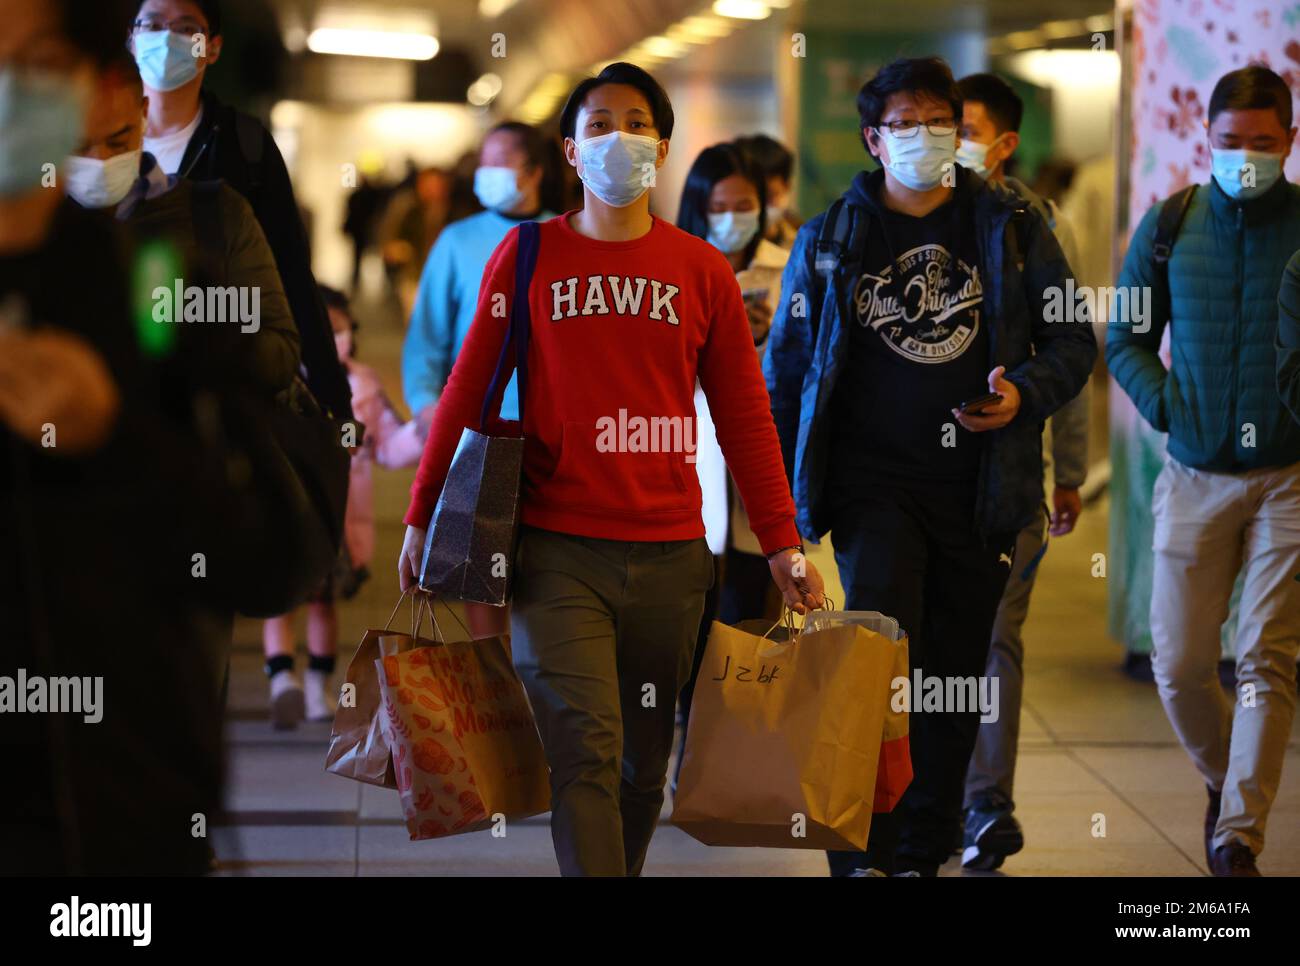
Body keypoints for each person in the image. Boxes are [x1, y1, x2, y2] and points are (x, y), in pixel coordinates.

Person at [397, 62, 825, 876]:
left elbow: (744, 419)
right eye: (599, 123)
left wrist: (781, 540)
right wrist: (422, 515)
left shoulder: (700, 273)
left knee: (642, 768)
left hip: (673, 553)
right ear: (569, 148)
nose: (618, 137)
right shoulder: (526, 258)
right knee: (585, 753)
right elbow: (466, 396)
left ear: (661, 146)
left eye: (636, 122)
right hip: (557, 552)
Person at [765, 56, 1096, 877]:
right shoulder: (835, 236)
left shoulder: (1013, 227)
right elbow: (786, 371)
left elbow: (1073, 339)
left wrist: (1022, 393)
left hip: (981, 490)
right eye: (904, 124)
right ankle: (861, 845)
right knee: (878, 656)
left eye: (939, 123)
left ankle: (926, 840)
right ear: (875, 138)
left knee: (952, 677)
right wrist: (777, 511)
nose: (924, 138)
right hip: (871, 486)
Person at [0, 0, 231, 874]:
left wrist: (115, 437)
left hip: (114, 790)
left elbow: (240, 544)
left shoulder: (150, 283)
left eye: (37, 62)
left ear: (93, 85)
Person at [1107, 65, 1300, 877]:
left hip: (1290, 477)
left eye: (1263, 144)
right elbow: (1124, 338)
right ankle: (1228, 785)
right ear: (1205, 140)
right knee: (1181, 665)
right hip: (1193, 474)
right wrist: (1170, 408)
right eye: (1230, 144)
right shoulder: (1170, 225)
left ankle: (1239, 838)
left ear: (1290, 142)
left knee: (1265, 655)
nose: (1245, 158)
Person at [954, 71, 1091, 871]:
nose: (943, 141)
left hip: (1009, 477)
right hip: (910, 482)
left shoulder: (1040, 227)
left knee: (996, 640)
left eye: (961, 127)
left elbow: (1070, 357)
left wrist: (1068, 469)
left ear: (1004, 144)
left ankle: (986, 804)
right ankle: (925, 792)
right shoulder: (901, 219)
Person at [128, 0, 353, 424]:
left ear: (212, 48)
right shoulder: (94, 137)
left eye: (185, 28)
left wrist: (332, 398)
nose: (166, 38)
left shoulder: (243, 145)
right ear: (132, 38)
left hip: (216, 374)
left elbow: (289, 270)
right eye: (153, 24)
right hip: (115, 366)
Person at [64, 51, 299, 398]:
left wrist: (197, 323)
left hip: (181, 445)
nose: (100, 161)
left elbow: (282, 355)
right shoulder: (24, 230)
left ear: (143, 115)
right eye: (78, 144)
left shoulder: (218, 214)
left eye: (118, 140)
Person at [402, 121, 558, 638]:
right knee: (478, 576)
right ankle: (497, 692)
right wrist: (427, 406)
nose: (487, 174)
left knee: (547, 576)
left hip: (549, 433)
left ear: (534, 172)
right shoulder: (456, 241)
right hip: (478, 435)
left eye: (501, 162)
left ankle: (537, 693)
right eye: (483, 163)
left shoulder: (564, 237)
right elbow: (427, 335)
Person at [671, 142, 790, 741]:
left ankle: (723, 733)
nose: (733, 216)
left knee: (745, 600)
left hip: (758, 454)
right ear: (699, 206)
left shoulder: (788, 264)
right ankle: (687, 715)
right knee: (691, 600)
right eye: (719, 205)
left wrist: (767, 335)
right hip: (688, 452)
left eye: (744, 204)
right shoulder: (676, 265)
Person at [264, 287, 423, 727]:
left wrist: (424, 433)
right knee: (282, 599)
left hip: (338, 522)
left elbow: (386, 447)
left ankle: (316, 686)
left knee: (323, 603)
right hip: (286, 516)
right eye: (322, 331)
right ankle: (283, 681)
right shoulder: (278, 383)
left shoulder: (364, 387)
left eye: (338, 330)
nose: (332, 340)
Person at [734, 133, 801, 248]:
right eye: (747, 200)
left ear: (786, 187)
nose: (759, 206)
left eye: (769, 196)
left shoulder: (805, 244)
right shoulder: (716, 245)